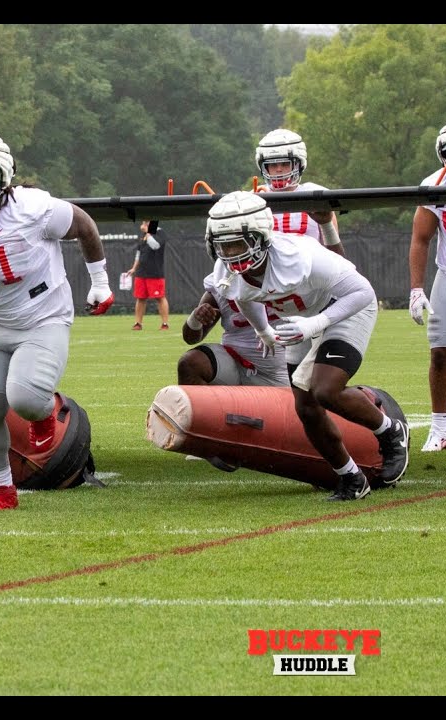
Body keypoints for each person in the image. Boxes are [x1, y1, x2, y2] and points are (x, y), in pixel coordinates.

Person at [0, 129, 113, 512]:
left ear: (1, 174)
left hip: (43, 315)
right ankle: (2, 490)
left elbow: (85, 226)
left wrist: (100, 282)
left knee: (26, 398)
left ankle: (46, 414)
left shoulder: (33, 208)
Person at [208, 190, 407, 501]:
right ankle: (352, 478)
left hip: (344, 308)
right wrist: (264, 332)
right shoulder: (226, 272)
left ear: (260, 236)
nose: (231, 253)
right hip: (300, 321)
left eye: (237, 243)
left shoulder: (302, 256)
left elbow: (363, 292)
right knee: (306, 408)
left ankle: (390, 431)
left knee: (325, 390)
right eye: (223, 245)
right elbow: (246, 298)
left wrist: (316, 323)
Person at [408, 117, 446, 452]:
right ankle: (440, 430)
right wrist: (417, 288)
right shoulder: (435, 184)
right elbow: (420, 239)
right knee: (441, 355)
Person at [176, 255, 290, 388]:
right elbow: (190, 338)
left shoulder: (289, 274)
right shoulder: (222, 281)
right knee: (191, 363)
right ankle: (204, 409)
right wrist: (196, 318)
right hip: (236, 362)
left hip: (283, 369)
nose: (233, 252)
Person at [254, 128, 345, 256]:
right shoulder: (252, 198)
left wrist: (326, 224)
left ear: (298, 164)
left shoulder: (316, 194)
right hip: (271, 274)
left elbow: (338, 259)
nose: (279, 170)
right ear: (264, 167)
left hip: (311, 272)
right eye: (273, 165)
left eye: (285, 164)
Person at [127, 219, 170, 330]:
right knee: (140, 298)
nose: (142, 225)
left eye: (145, 223)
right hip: (141, 273)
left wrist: (148, 233)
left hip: (155, 273)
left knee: (160, 297)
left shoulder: (160, 233)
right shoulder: (143, 235)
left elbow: (155, 246)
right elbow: (138, 254)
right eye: (143, 223)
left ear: (151, 224)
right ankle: (138, 323)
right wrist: (133, 268)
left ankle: (165, 324)